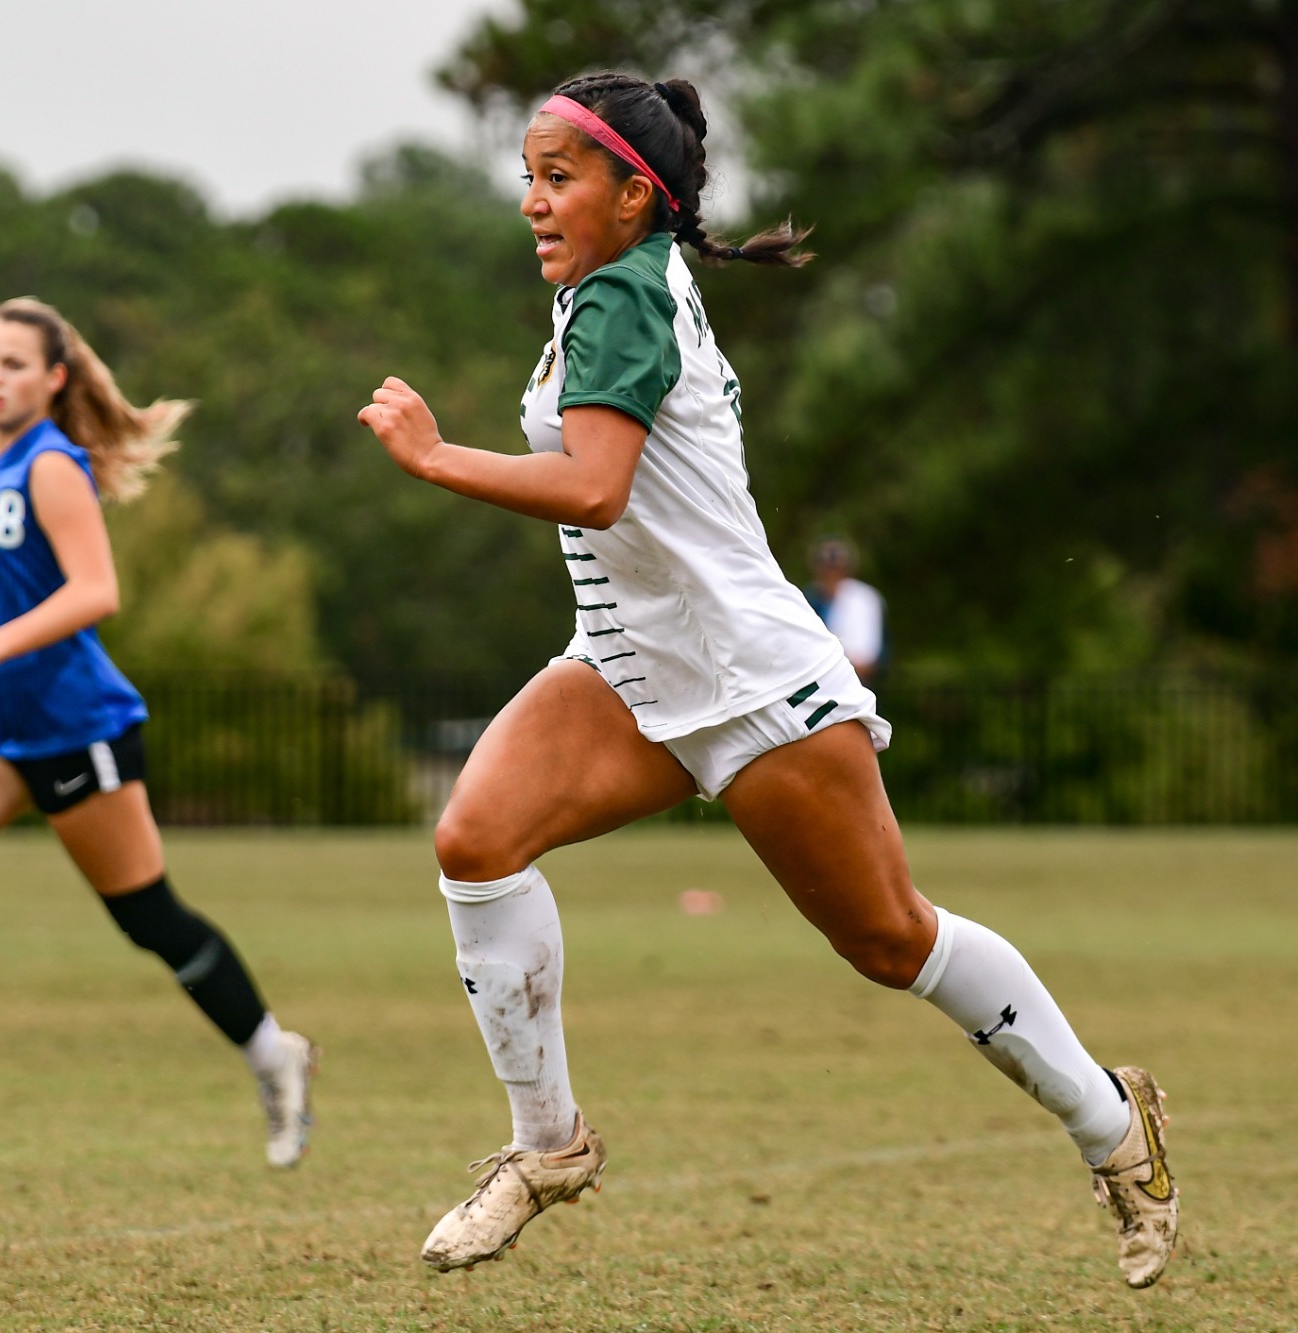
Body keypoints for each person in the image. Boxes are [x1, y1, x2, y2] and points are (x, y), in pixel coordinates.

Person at [357, 73, 1175, 1286]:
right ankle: (546, 1148)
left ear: (636, 197)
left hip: (745, 677)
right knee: (475, 840)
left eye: (557, 177)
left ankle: (1116, 1130)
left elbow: (594, 488)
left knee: (891, 941)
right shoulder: (613, 281)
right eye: (526, 175)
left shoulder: (623, 297)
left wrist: (433, 459)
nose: (529, 200)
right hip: (630, 661)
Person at [0, 297, 316, 1168]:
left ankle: (276, 1054)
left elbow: (94, 590)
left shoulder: (52, 466)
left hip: (78, 729)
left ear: (54, 377)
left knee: (147, 917)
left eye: (12, 364)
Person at [806, 538, 886, 682]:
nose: (832, 575)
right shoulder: (809, 599)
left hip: (854, 679)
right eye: (827, 568)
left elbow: (871, 654)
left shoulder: (863, 599)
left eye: (836, 569)